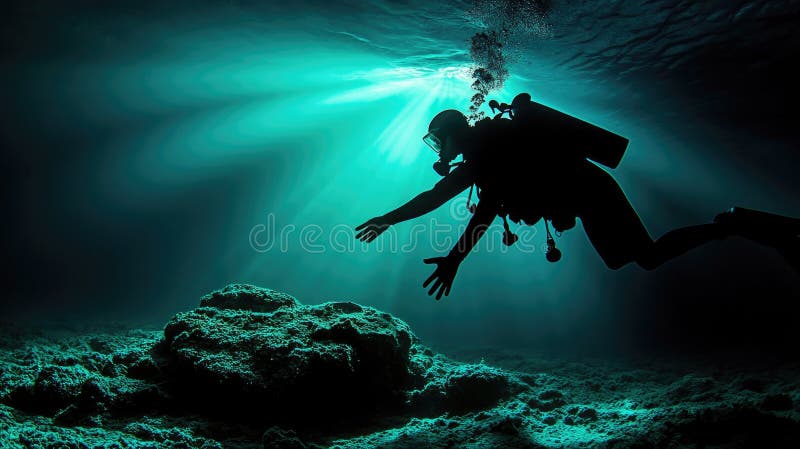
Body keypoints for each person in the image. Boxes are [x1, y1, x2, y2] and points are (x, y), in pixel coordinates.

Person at [355, 95, 799, 299]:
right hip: (586, 193)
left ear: (452, 134)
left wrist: (452, 257)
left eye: (438, 142)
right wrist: (392, 221)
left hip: (589, 191)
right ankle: (734, 224)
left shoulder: (487, 155)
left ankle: (733, 223)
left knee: (645, 256)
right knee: (630, 259)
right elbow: (441, 198)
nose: (439, 152)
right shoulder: (482, 155)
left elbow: (475, 211)